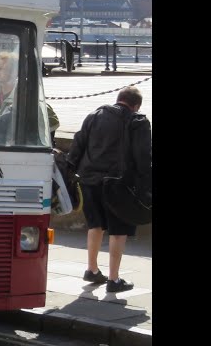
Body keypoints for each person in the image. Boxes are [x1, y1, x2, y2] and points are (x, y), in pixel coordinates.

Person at [66, 86, 151, 294]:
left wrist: (71, 173)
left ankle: (92, 269)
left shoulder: (95, 115)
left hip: (89, 180)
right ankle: (114, 279)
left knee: (95, 225)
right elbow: (143, 157)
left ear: (118, 99)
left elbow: (77, 146)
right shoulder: (138, 121)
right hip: (118, 185)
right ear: (136, 105)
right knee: (118, 231)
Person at [0, 50, 60, 141]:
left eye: (1, 69)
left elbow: (53, 120)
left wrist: (26, 134)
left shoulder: (25, 94)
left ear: (13, 72)